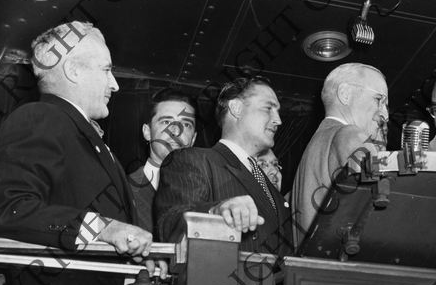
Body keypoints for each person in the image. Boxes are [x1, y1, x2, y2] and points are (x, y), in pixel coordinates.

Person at [0, 21, 158, 285]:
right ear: (73, 70)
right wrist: (102, 229)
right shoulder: (40, 117)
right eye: (106, 70)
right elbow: (8, 211)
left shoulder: (87, 136)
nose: (115, 84)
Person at [155, 77, 293, 255]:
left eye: (278, 111)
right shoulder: (192, 160)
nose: (278, 120)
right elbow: (170, 224)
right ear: (236, 108)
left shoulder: (271, 188)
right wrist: (213, 213)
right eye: (268, 108)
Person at [291, 63, 388, 240]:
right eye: (379, 100)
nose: (385, 114)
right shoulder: (351, 135)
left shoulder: (316, 144)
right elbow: (380, 212)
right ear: (345, 93)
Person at [129, 88, 197, 234]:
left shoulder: (207, 194)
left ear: (193, 139)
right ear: (147, 132)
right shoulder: (125, 191)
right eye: (166, 121)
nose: (176, 132)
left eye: (186, 124)